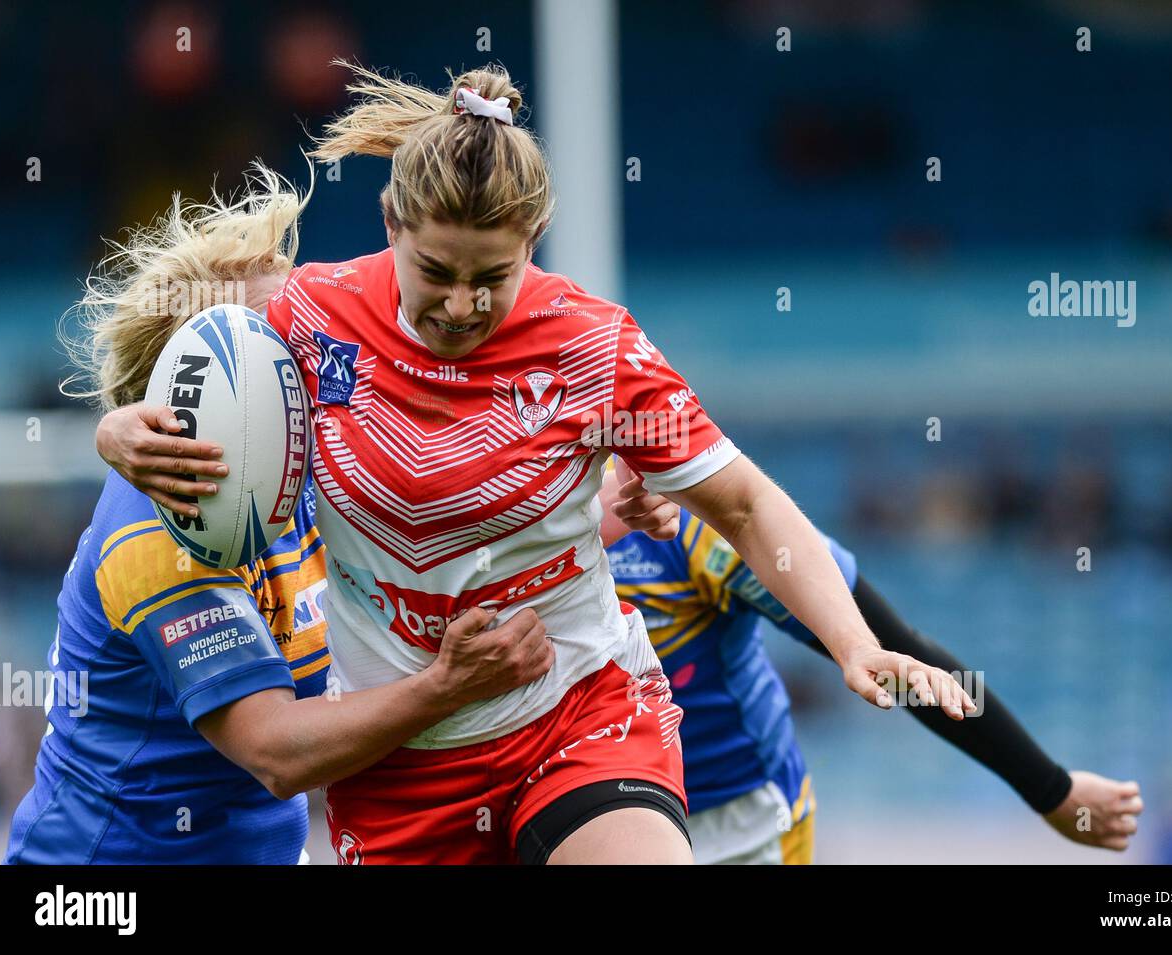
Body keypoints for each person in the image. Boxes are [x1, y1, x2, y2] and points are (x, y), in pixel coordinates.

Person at [98, 62, 975, 865]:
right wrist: (117, 434)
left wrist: (854, 645)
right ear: (390, 223)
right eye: (435, 270)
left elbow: (743, 503)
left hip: (580, 713)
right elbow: (181, 379)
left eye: (494, 275)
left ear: (537, 236)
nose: (462, 303)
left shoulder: (595, 347)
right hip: (402, 769)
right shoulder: (310, 316)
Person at [4, 170, 567, 864]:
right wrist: (445, 687)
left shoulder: (314, 473)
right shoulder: (160, 523)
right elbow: (273, 751)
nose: (322, 352)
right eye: (284, 342)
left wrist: (616, 503)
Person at [605, 498, 1144, 863]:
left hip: (738, 825)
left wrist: (1051, 789)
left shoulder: (697, 523)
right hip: (577, 814)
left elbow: (899, 657)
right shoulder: (523, 532)